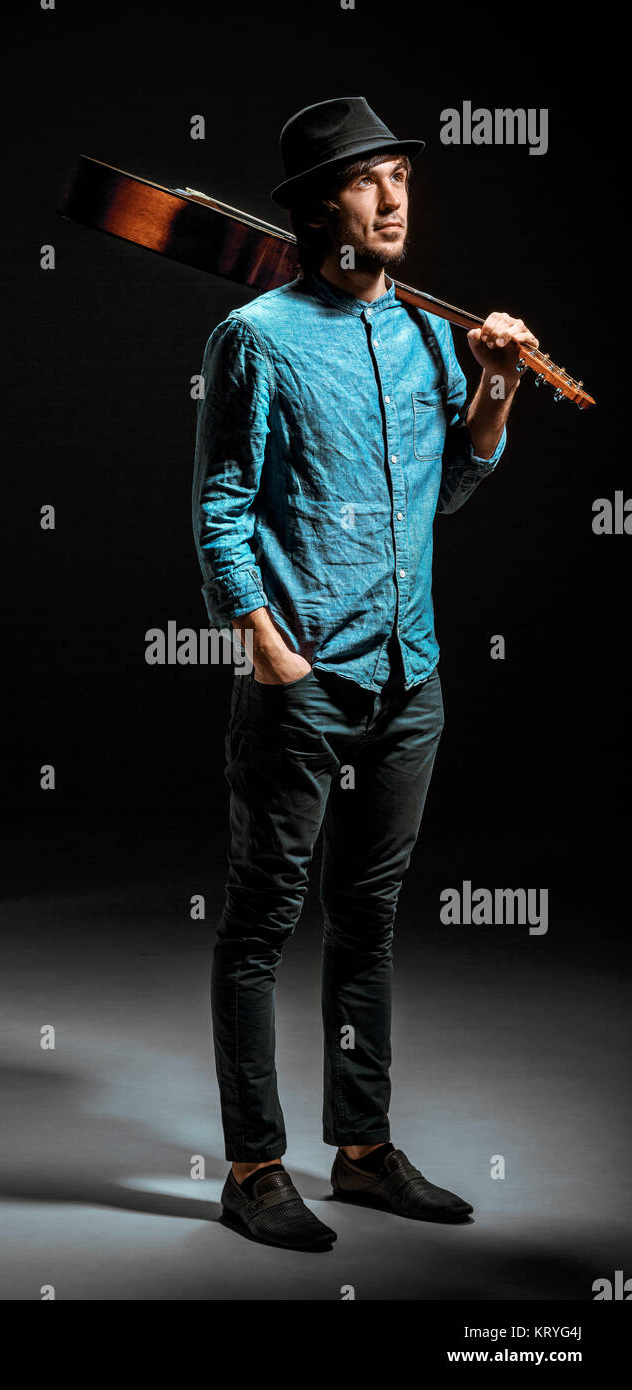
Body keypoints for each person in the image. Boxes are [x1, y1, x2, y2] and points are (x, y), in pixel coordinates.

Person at [191, 97, 538, 1252]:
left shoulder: (430, 334)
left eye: (399, 176)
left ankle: (361, 1150)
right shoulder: (257, 338)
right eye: (363, 181)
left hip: (410, 671)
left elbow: (452, 486)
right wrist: (268, 646)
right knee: (258, 924)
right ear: (311, 208)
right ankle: (250, 1168)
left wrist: (494, 379)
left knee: (368, 921)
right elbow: (222, 511)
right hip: (306, 678)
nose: (391, 200)